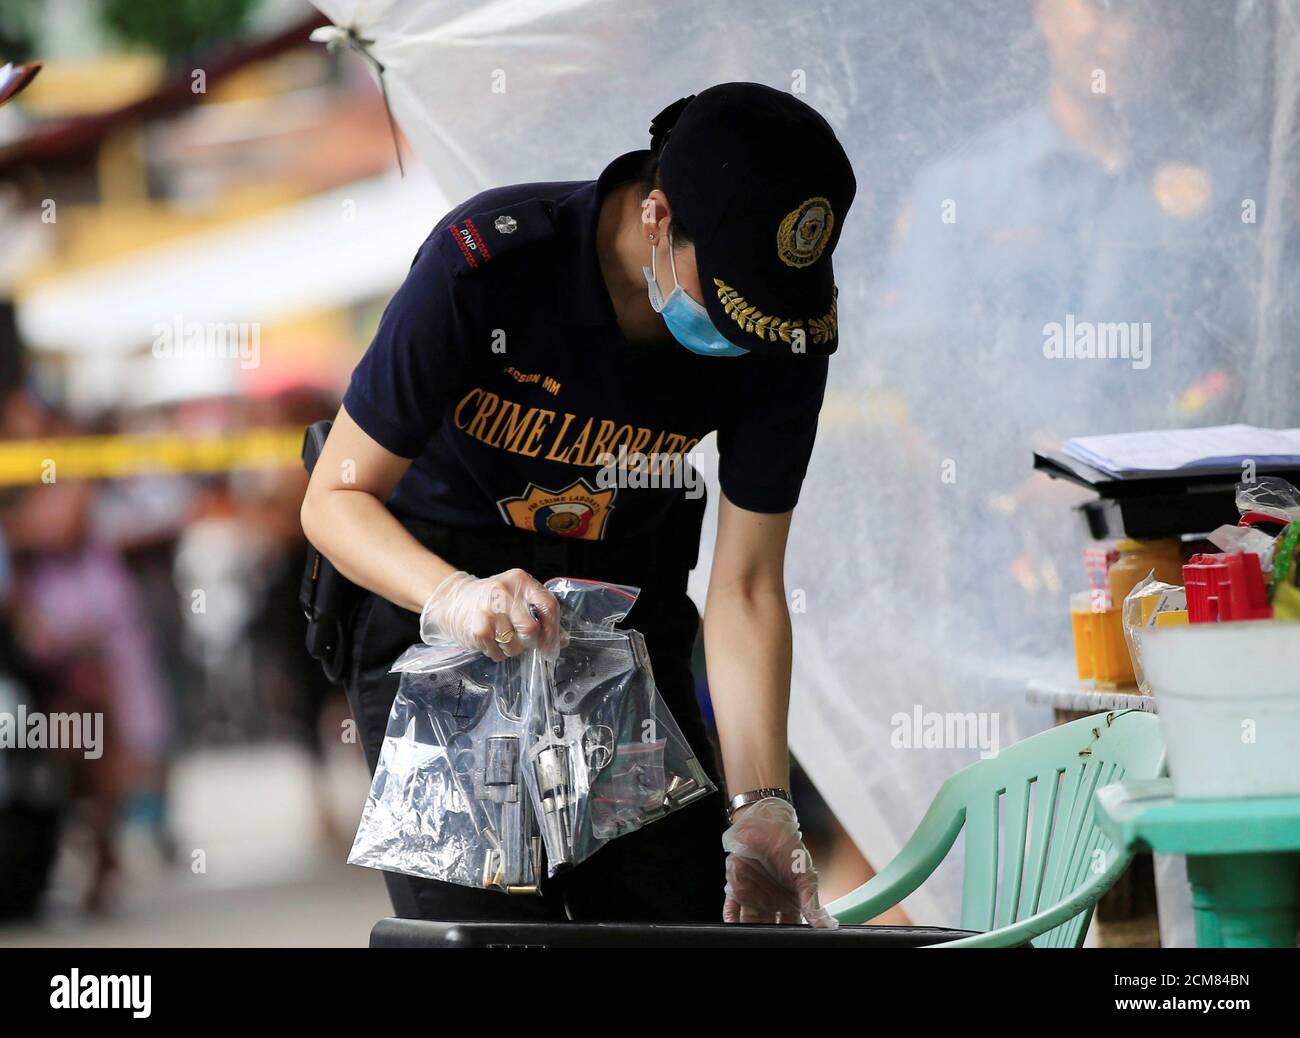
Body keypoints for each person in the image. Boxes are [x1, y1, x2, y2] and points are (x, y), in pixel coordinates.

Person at [301, 82, 856, 925]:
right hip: (441, 627)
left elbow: (745, 589)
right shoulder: (486, 265)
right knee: (489, 939)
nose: (749, 336)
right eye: (733, 297)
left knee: (679, 929)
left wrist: (761, 808)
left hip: (621, 636)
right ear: (658, 217)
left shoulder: (778, 328)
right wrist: (456, 596)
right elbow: (335, 500)